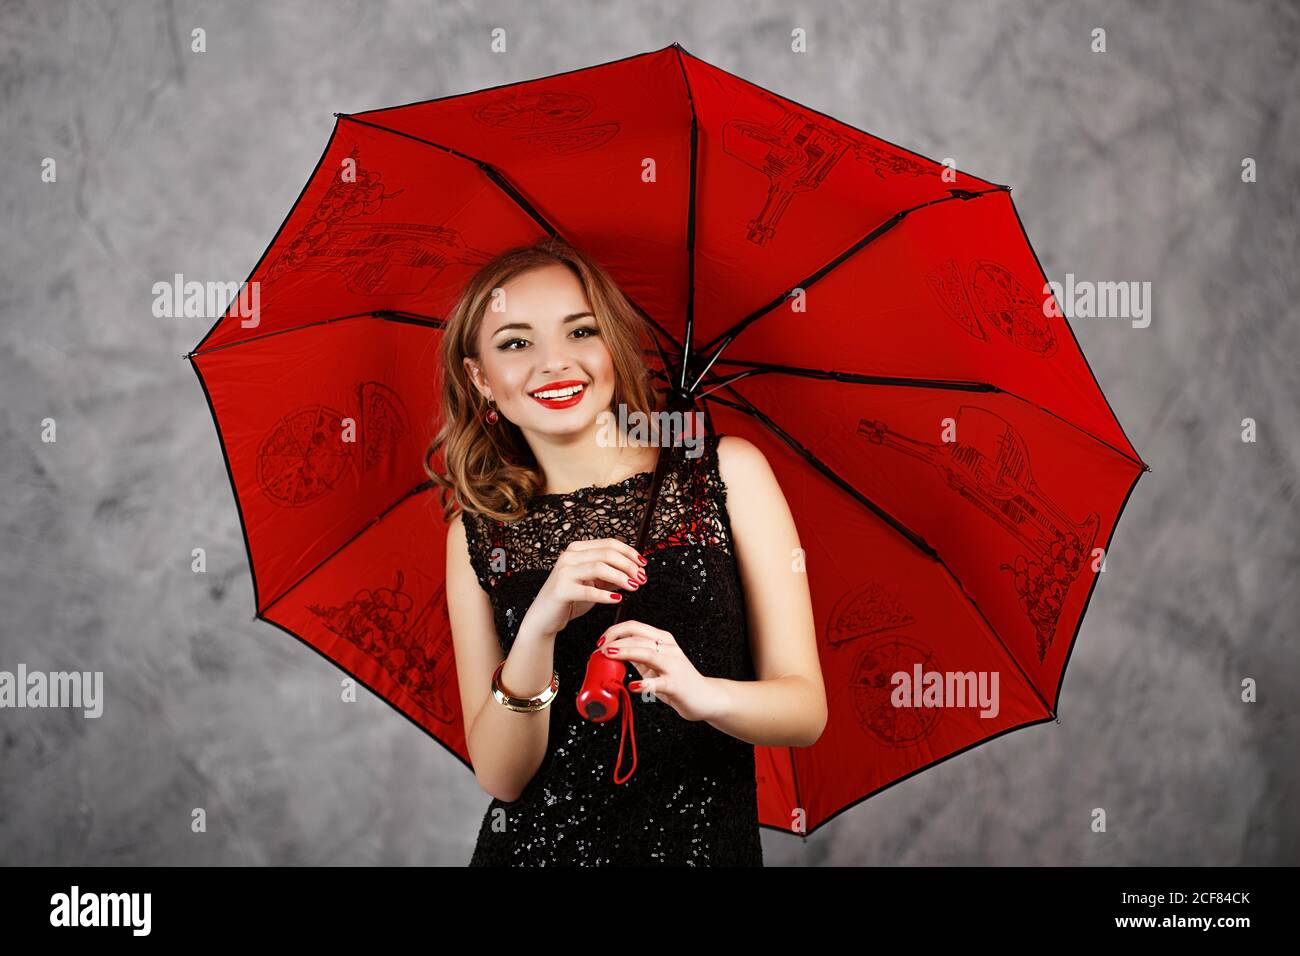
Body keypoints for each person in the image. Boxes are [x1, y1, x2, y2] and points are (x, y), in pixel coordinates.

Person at [428, 237, 826, 866]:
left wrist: (703, 694)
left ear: (612, 343)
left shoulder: (726, 475)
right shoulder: (479, 532)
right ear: (479, 377)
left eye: (580, 331)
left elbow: (804, 709)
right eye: (515, 342)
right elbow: (502, 779)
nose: (554, 363)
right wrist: (538, 630)